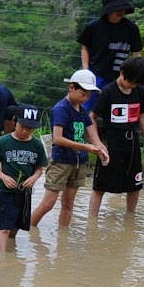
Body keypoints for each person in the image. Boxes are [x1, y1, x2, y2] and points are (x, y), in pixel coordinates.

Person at [89, 56, 144, 216]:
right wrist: (98, 143)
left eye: (136, 83)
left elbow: (141, 117)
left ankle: (130, 217)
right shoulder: (108, 92)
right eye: (130, 81)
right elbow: (92, 117)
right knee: (100, 186)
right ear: (122, 72)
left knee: (135, 185)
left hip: (132, 145)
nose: (132, 85)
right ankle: (92, 221)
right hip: (111, 145)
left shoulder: (139, 92)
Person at [32, 69, 110, 227]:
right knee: (48, 204)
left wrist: (101, 149)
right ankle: (28, 228)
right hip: (61, 162)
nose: (86, 98)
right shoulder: (61, 109)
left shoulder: (83, 110)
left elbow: (91, 134)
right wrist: (86, 147)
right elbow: (58, 138)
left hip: (78, 163)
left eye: (89, 95)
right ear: (71, 87)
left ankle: (63, 236)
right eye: (83, 94)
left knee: (68, 204)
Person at [0, 105, 48, 251]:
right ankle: (0, 260)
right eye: (22, 126)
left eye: (30, 128)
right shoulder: (3, 142)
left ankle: (11, 252)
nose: (25, 131)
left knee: (15, 227)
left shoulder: (37, 145)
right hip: (5, 192)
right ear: (15, 121)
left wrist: (34, 178)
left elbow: (39, 169)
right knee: (4, 228)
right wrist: (4, 177)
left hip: (24, 193)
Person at [78, 0, 143, 89]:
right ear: (108, 11)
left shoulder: (131, 28)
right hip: (96, 76)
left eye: (122, 9)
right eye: (117, 9)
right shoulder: (94, 26)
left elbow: (137, 54)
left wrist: (136, 76)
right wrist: (86, 71)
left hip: (121, 78)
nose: (120, 12)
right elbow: (85, 48)